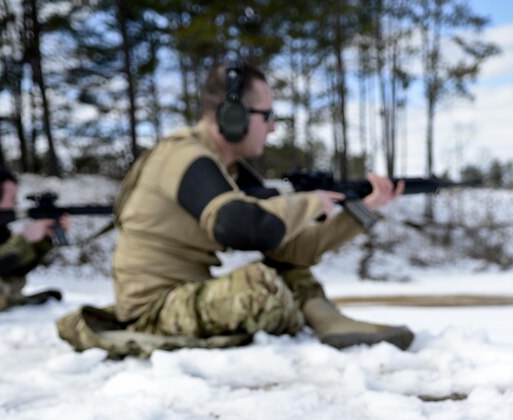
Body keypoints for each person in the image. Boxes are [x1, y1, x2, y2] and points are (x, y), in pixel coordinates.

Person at [58, 62, 414, 355]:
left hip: (188, 296)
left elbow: (292, 249)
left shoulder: (225, 171)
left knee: (284, 270)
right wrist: (308, 202)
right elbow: (240, 227)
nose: (273, 127)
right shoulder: (184, 155)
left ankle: (329, 323)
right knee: (261, 287)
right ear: (233, 115)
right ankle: (318, 317)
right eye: (267, 115)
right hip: (156, 309)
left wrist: (365, 210)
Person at [0, 165, 68, 312]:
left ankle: (5, 298)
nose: (15, 203)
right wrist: (24, 238)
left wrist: (43, 240)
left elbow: (13, 268)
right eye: (12, 196)